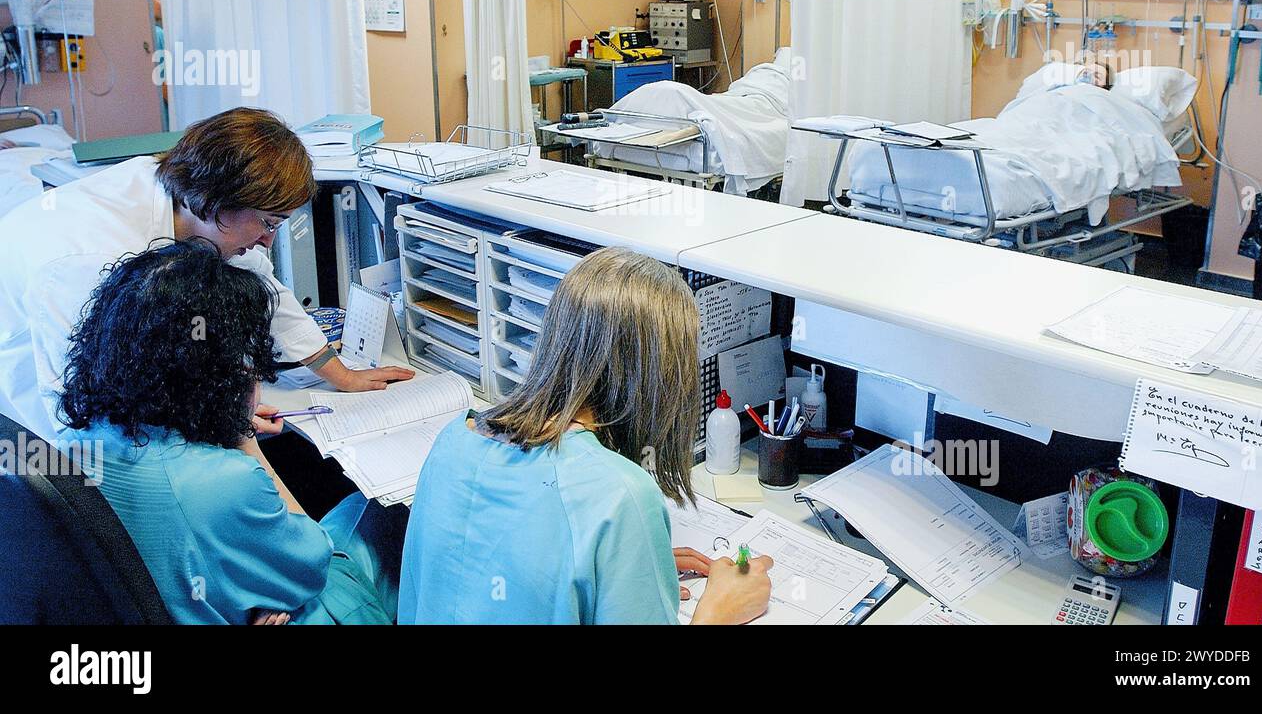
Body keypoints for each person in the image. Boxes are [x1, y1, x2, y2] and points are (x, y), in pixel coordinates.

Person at [399, 247, 773, 624]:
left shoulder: (453, 440)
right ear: (662, 378)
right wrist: (719, 611)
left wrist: (626, 566)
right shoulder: (621, 494)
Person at [0, 107, 412, 439]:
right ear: (216, 207)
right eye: (268, 224)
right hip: (37, 392)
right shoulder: (88, 261)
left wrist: (341, 375)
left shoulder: (196, 205)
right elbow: (76, 401)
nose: (269, 241)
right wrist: (216, 422)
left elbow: (265, 286)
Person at [58, 240, 406, 624]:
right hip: (284, 590)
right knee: (381, 512)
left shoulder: (74, 443)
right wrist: (244, 438)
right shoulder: (226, 482)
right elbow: (314, 565)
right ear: (220, 371)